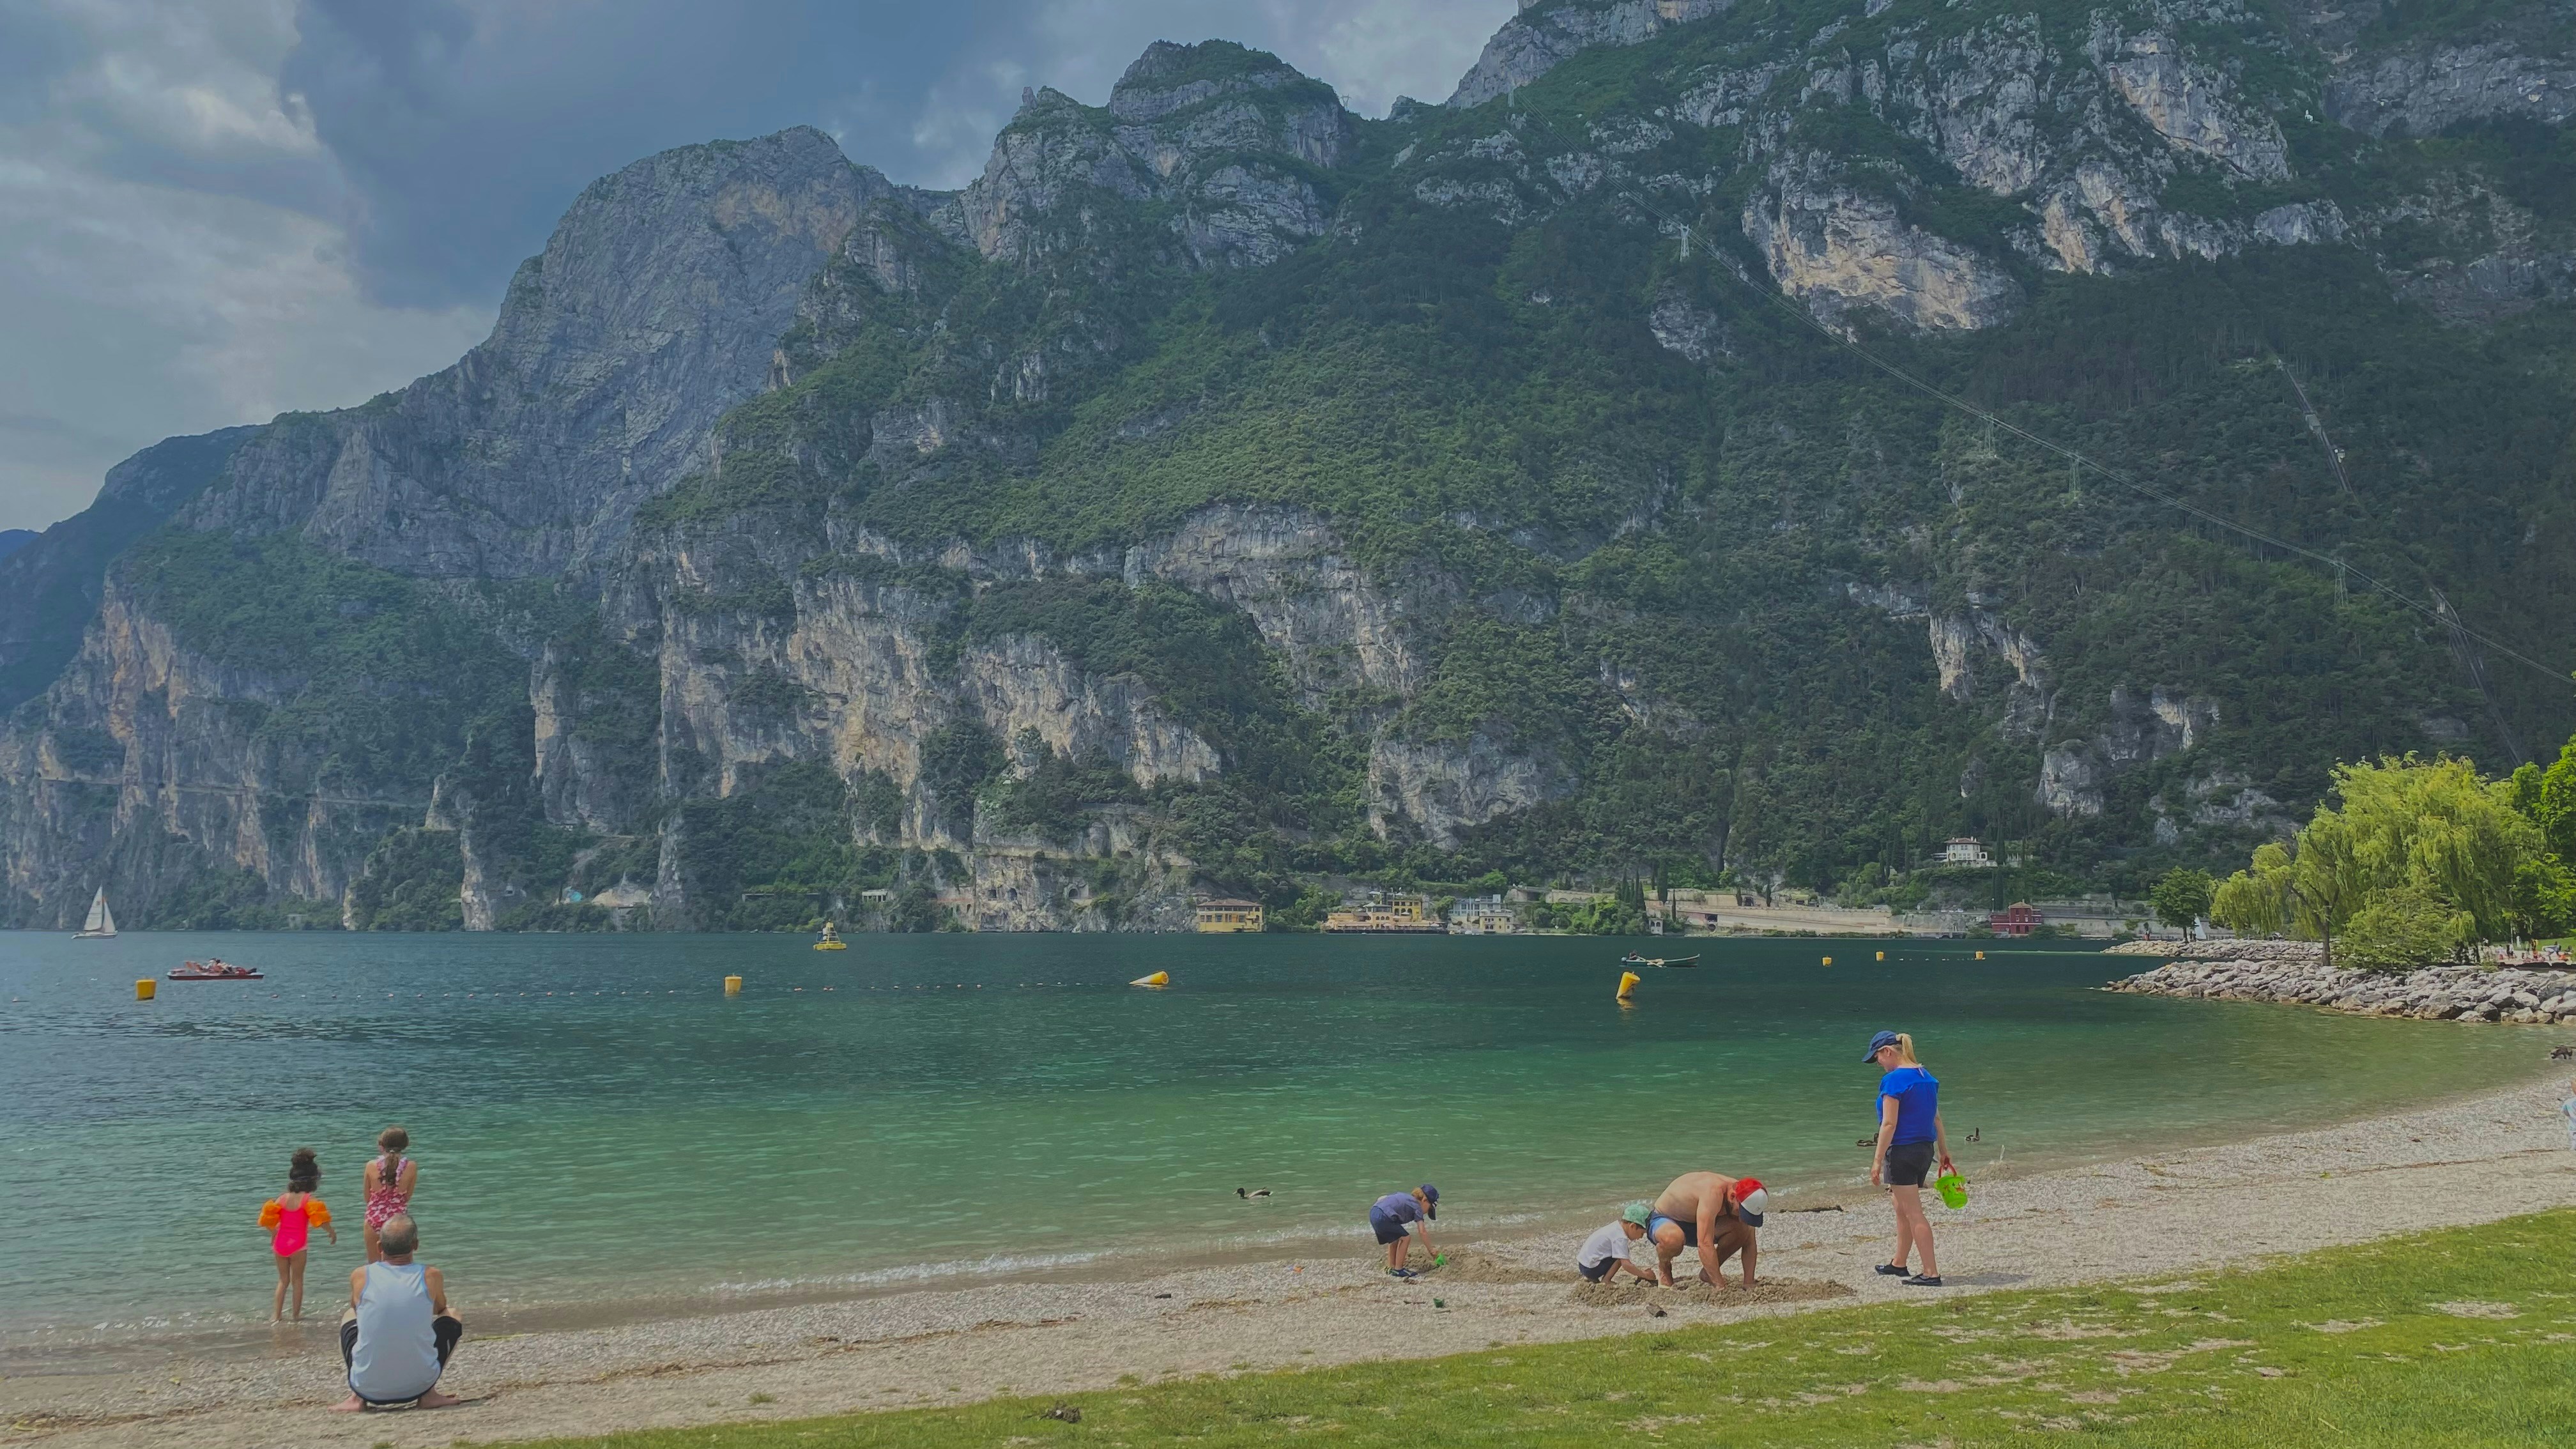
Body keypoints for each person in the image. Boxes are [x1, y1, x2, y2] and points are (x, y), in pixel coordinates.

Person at [334, 1214, 464, 1412]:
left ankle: (357, 1398)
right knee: (452, 1314)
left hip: (366, 1386)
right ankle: (429, 1395)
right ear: (416, 1245)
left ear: (379, 1247)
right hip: (418, 1385)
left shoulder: (361, 1275)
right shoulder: (431, 1275)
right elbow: (440, 1309)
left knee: (349, 1316)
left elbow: (356, 1308)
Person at [1866, 1029, 1953, 1287]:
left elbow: (1889, 1124)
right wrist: (1944, 1151)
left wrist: (1877, 1160)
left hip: (1902, 1152)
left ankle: (1931, 1272)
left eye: (1878, 1058)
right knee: (1901, 1207)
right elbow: (1936, 1118)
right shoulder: (1927, 1077)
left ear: (1888, 1052)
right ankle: (1899, 1263)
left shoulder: (1895, 1081)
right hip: (1924, 1149)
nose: (1878, 1064)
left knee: (1914, 1213)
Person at [1646, 1170, 1767, 1289]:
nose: (1741, 1218)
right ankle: (1664, 1267)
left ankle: (1708, 1274)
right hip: (1666, 1220)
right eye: (1741, 1213)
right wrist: (1720, 1286)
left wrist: (1749, 1282)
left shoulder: (1745, 1193)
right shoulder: (1713, 1192)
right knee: (1673, 1239)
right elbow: (1704, 1244)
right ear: (1732, 1197)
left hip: (1700, 1224)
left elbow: (1750, 1242)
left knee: (1745, 1229)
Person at [258, 1148, 337, 1322]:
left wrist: (274, 1234)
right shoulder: (309, 1200)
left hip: (280, 1244)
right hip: (298, 1245)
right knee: (298, 1281)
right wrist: (331, 1232)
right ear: (313, 1181)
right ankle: (296, 1316)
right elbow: (321, 1220)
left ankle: (275, 1316)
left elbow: (268, 1220)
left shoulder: (282, 1199)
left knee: (283, 1281)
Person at [363, 1126, 418, 1264]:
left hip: (374, 1217)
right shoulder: (411, 1166)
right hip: (398, 1221)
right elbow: (407, 1197)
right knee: (401, 1265)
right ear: (405, 1145)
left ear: (381, 1145)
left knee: (374, 1266)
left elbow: (367, 1197)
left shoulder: (371, 1165)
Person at [1577, 1202, 1659, 1284]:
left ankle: (1594, 1277)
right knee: (1621, 1256)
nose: (1641, 1237)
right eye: (1642, 1233)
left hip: (1583, 1265)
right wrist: (1645, 1275)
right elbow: (1626, 1266)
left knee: (1621, 1253)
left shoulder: (1615, 1227)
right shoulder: (1620, 1238)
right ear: (1633, 1226)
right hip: (1591, 1269)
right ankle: (1606, 1280)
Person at [1367, 1184, 1439, 1277]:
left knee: (1395, 1238)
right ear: (1425, 1200)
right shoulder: (1417, 1207)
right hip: (1384, 1216)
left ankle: (1391, 1267)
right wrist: (1431, 1250)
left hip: (1374, 1212)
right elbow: (1422, 1231)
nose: (1426, 1213)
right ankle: (1398, 1269)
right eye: (1429, 1209)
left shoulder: (1406, 1198)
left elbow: (1383, 1199)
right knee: (1406, 1238)